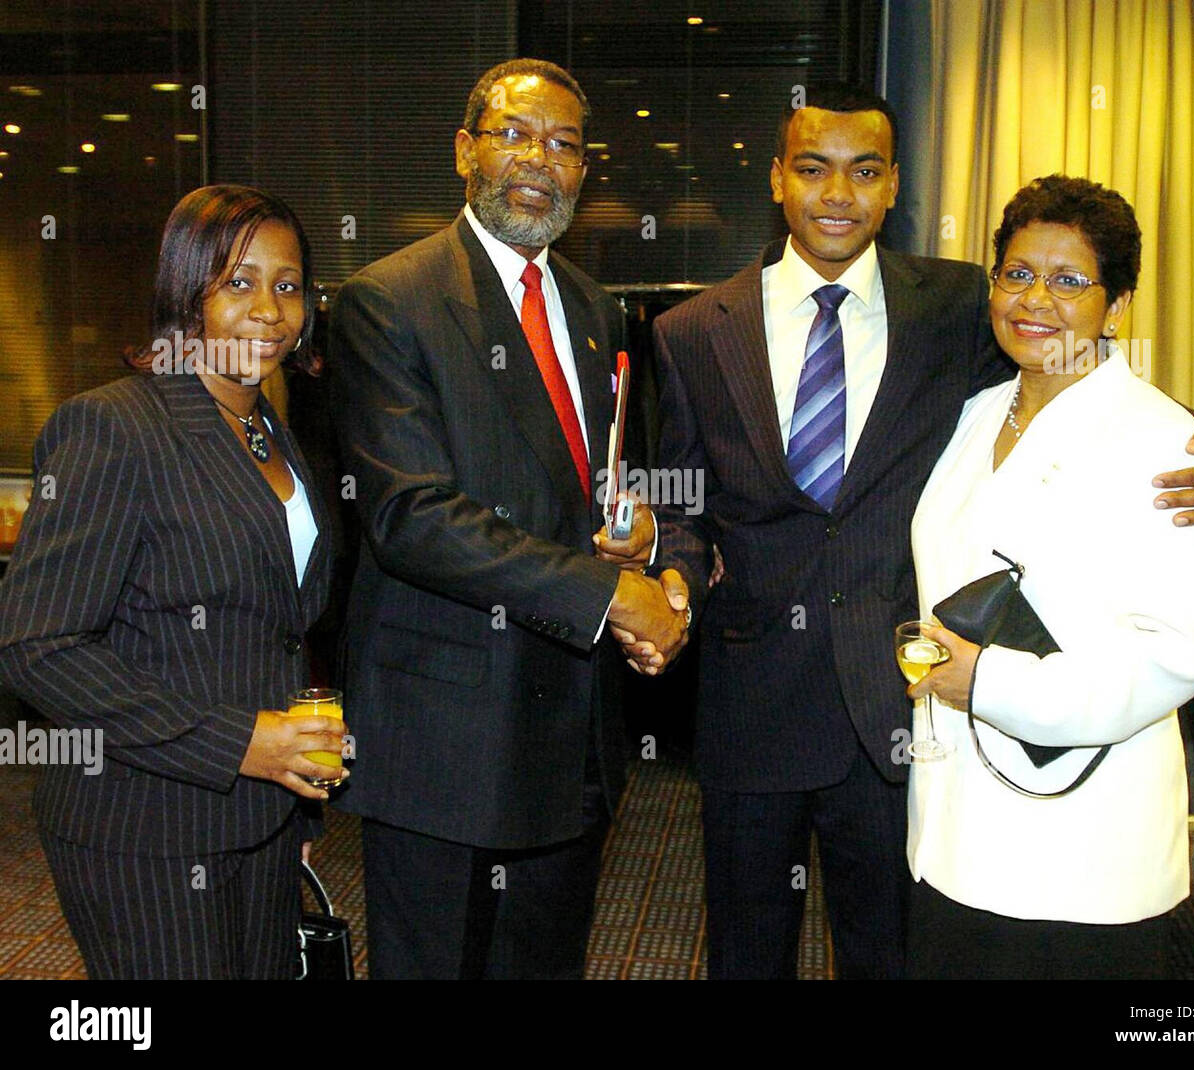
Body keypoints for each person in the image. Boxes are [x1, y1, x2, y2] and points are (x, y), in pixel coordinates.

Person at [647, 84, 1194, 979]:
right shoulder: (694, 329)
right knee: (747, 952)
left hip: (899, 713)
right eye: (812, 169)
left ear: (894, 187)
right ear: (776, 179)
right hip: (757, 702)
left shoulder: (955, 304)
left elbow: (1081, 374)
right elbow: (681, 496)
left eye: (864, 172)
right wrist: (671, 575)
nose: (837, 195)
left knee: (893, 955)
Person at [328, 58, 686, 980]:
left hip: (573, 721)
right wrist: (613, 598)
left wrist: (642, 537)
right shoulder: (386, 300)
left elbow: (604, 472)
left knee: (545, 961)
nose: (541, 159)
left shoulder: (598, 308)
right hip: (445, 727)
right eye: (516, 135)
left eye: (566, 145)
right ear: (464, 151)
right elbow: (411, 515)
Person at [0, 185, 342, 979]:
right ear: (187, 292)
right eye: (238, 282)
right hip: (141, 826)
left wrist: (287, 755)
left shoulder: (273, 433)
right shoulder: (114, 427)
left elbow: (275, 619)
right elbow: (36, 646)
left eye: (287, 286)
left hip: (260, 819)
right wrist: (240, 742)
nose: (268, 309)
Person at [904, 175, 1194, 979]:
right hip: (953, 825)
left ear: (1117, 304)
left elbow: (1176, 654)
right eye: (1017, 274)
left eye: (1068, 281)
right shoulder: (974, 414)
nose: (1035, 300)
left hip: (1084, 845)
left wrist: (985, 681)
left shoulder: (1174, 447)